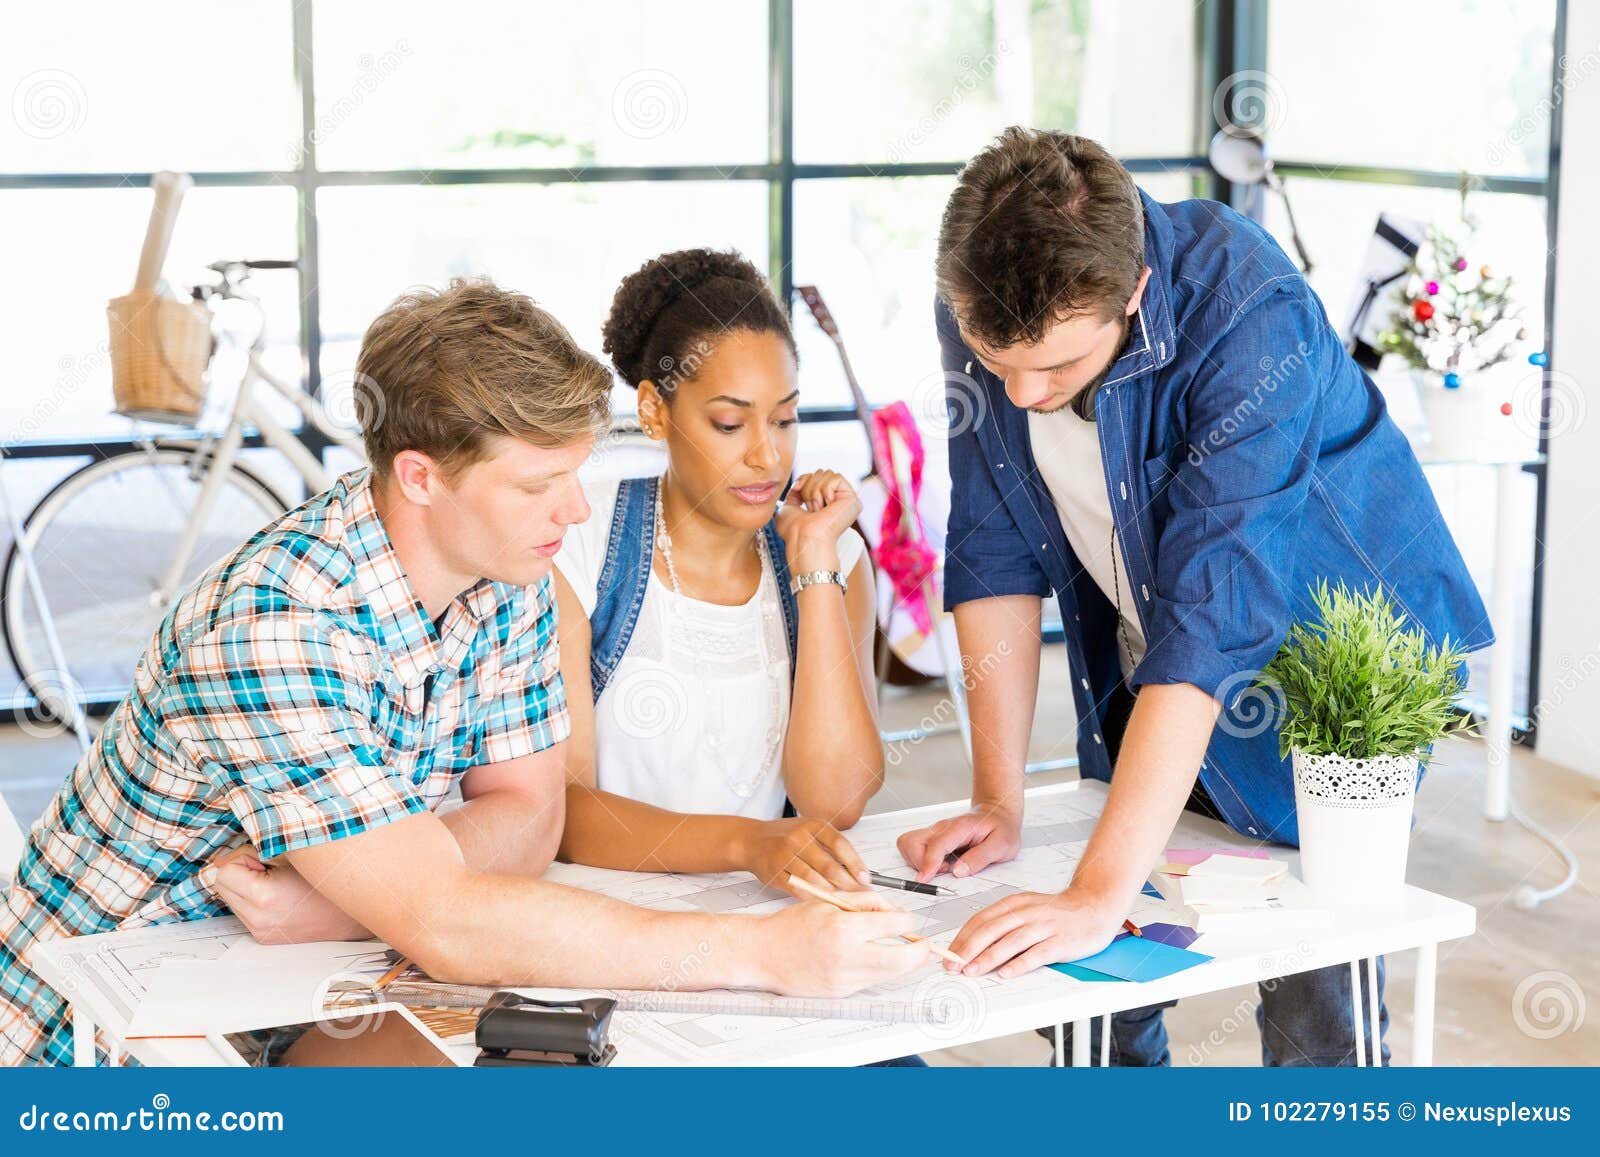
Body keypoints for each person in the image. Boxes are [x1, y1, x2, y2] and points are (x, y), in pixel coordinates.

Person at [0, 278, 928, 1067]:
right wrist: (766, 951)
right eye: (536, 483)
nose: (571, 510)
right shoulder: (275, 623)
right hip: (102, 1041)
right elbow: (447, 917)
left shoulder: (506, 569)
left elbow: (531, 822)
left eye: (575, 473)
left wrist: (338, 904)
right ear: (419, 477)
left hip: (292, 986)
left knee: (572, 1058)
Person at [896, 128, 1492, 1066]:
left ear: (1131, 293)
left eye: (1055, 368)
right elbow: (992, 540)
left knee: (1308, 975)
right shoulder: (987, 294)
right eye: (993, 358)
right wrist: (996, 798)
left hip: (1334, 663)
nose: (1017, 394)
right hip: (1148, 628)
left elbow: (1213, 616)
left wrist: (1093, 894)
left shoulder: (1250, 309)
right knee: (1097, 973)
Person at [553, 248, 886, 897]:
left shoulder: (836, 558)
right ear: (654, 411)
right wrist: (744, 842)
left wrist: (816, 565)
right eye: (730, 423)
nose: (769, 455)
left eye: (786, 419)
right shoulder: (580, 555)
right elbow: (563, 812)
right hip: (612, 917)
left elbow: (837, 801)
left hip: (771, 926)